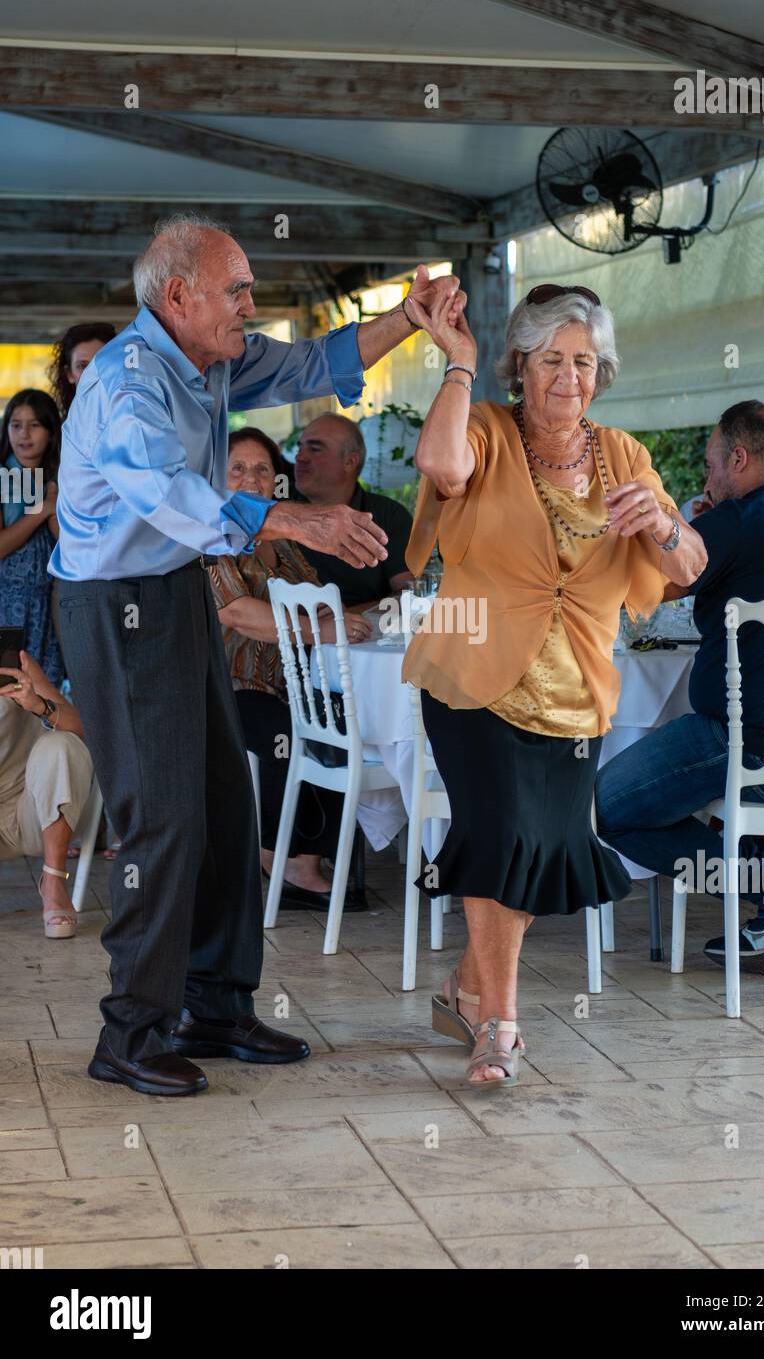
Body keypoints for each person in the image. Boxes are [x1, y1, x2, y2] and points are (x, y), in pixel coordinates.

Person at [50, 211, 463, 1097]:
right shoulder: (126, 381)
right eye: (236, 289)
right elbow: (165, 491)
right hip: (114, 602)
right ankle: (130, 1031)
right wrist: (289, 515)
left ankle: (214, 1004)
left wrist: (412, 315)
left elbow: (319, 361)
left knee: (229, 805)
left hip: (174, 591)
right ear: (179, 295)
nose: (250, 304)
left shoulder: (213, 355)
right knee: (161, 816)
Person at [402, 283, 706, 1087]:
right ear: (521, 367)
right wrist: (460, 364)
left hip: (575, 685)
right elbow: (438, 465)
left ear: (599, 372)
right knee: (501, 834)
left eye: (582, 361)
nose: (568, 376)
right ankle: (499, 1027)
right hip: (471, 675)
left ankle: (464, 989)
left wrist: (662, 523)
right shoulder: (486, 430)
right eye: (549, 360)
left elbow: (688, 566)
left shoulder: (625, 457)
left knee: (538, 853)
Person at [596, 400, 764, 974]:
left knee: (604, 807)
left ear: (738, 459)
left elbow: (651, 591)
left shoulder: (739, 519)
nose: (708, 479)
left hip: (754, 752)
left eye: (712, 465)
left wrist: (679, 528)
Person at [210, 427, 373, 912]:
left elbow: (319, 599)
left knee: (344, 722)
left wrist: (327, 619)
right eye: (237, 469)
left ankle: (317, 853)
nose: (252, 479)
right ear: (217, 478)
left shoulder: (280, 540)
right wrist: (318, 629)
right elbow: (237, 612)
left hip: (290, 682)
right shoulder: (208, 536)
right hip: (228, 686)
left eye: (262, 469)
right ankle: (278, 857)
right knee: (285, 731)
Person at [0, 650, 92, 937]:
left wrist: (39, 705)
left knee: (62, 745)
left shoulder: (14, 662)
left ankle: (53, 882)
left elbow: (80, 730)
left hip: (32, 813)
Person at [293, 413, 414, 610]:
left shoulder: (388, 515)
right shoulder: (277, 508)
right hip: (287, 634)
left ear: (350, 462)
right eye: (300, 447)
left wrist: (345, 621)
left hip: (367, 636)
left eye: (315, 449)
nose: (300, 457)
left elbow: (409, 593)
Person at [0, 389, 64, 684]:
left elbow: (66, 543)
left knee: (44, 699)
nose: (24, 434)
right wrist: (41, 511)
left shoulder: (60, 478)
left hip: (47, 608)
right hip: (5, 606)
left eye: (35, 424)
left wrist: (53, 506)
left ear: (51, 432)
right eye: (16, 425)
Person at [49, 322, 117, 419]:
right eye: (82, 366)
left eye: (101, 364)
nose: (93, 373)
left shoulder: (136, 420)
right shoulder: (62, 430)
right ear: (69, 374)